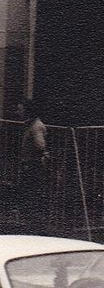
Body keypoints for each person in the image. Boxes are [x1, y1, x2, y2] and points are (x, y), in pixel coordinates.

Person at [17, 97, 50, 233]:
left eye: (20, 109)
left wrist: (36, 156)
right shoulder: (30, 124)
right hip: (29, 164)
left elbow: (40, 145)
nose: (18, 112)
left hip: (32, 165)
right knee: (27, 193)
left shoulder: (36, 126)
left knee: (31, 194)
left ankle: (33, 224)